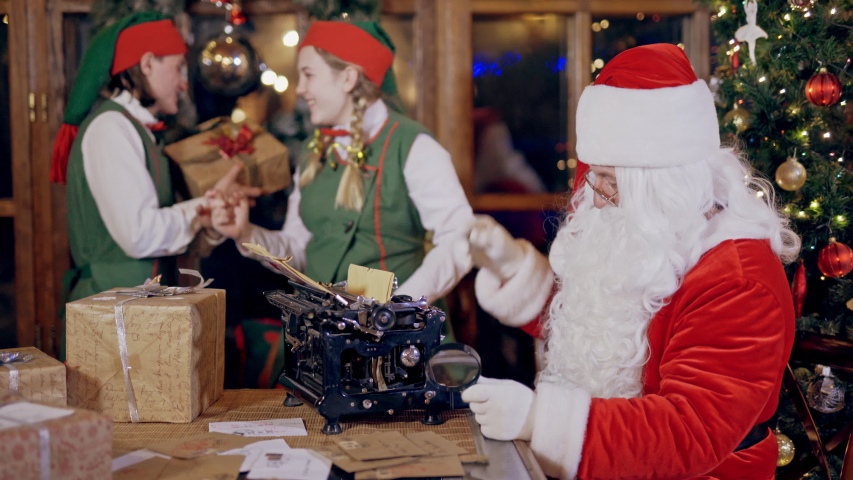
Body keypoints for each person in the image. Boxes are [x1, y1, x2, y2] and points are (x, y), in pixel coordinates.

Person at [462, 43, 801, 479]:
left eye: (608, 179)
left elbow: (689, 432)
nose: (595, 195)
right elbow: (598, 325)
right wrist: (515, 270)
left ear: (663, 182)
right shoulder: (653, 234)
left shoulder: (738, 279)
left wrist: (536, 421)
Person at [211, 20, 473, 305]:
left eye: (308, 75)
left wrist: (401, 307)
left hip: (397, 342)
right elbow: (297, 250)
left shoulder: (414, 146)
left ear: (348, 78)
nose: (300, 89)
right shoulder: (314, 153)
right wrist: (246, 233)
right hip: (321, 338)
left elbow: (459, 240)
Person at [50, 12, 258, 358]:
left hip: (131, 312)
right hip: (107, 314)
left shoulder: (134, 128)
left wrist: (209, 213)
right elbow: (139, 234)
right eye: (177, 68)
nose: (183, 82)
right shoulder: (111, 128)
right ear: (146, 64)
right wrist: (203, 207)